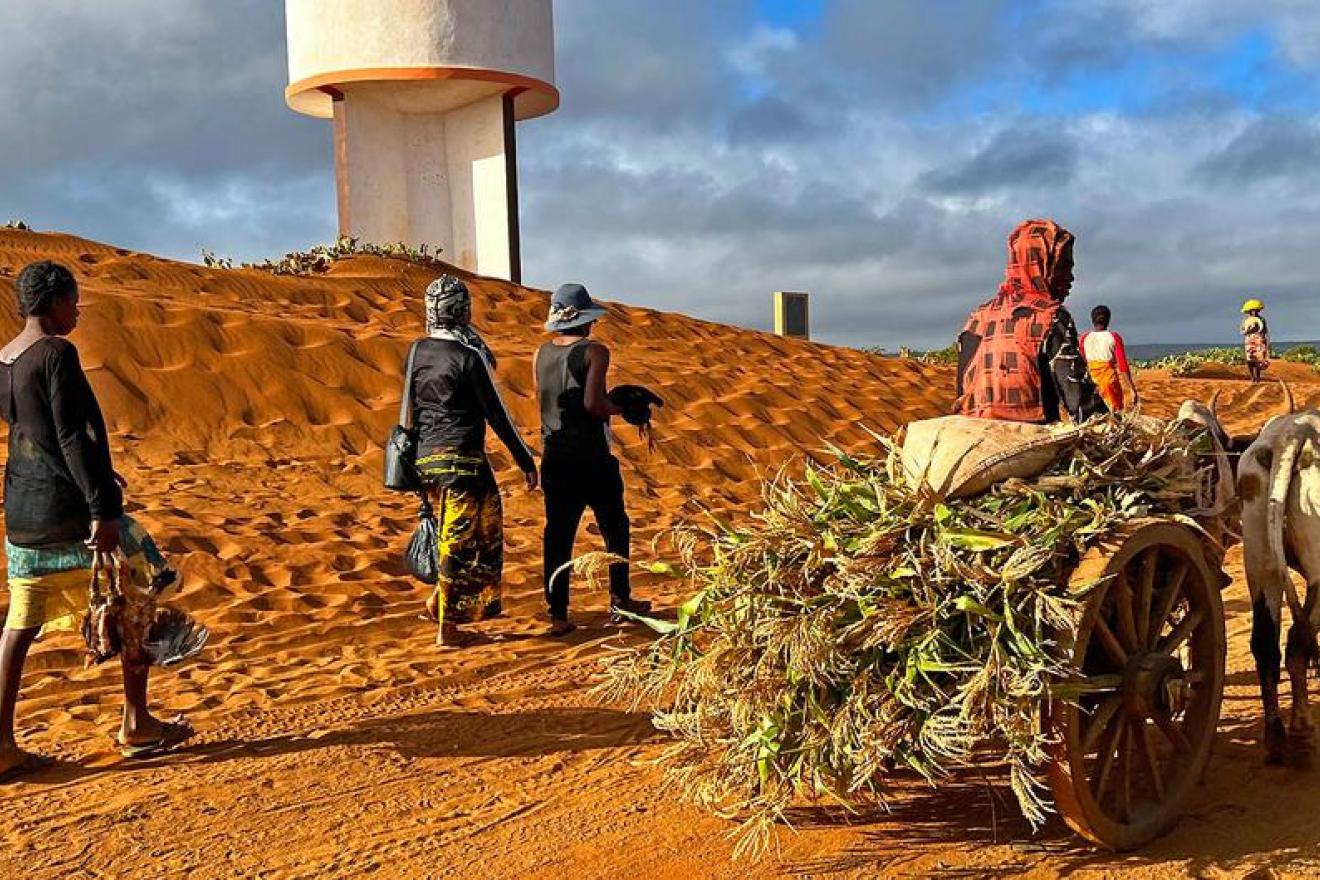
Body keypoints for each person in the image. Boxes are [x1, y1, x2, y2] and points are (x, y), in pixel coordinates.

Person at [0, 261, 192, 782]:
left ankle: (1, 744)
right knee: (136, 597)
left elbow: (32, 434)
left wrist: (100, 480)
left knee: (20, 622)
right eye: (73, 300)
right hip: (70, 511)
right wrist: (103, 506)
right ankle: (137, 724)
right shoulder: (57, 353)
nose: (77, 309)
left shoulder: (6, 359)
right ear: (54, 301)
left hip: (21, 510)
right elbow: (70, 435)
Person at [408, 275, 537, 648]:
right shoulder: (469, 357)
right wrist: (525, 459)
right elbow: (496, 414)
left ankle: (438, 606)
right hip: (464, 461)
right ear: (462, 311)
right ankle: (447, 628)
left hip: (426, 460)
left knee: (454, 537)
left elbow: (410, 410)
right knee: (467, 542)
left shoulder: (418, 350)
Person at [535, 283, 651, 636]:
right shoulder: (595, 352)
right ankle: (620, 599)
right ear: (586, 320)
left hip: (554, 456)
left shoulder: (540, 353)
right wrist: (620, 408)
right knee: (615, 526)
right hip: (591, 456)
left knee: (557, 534)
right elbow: (593, 404)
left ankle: (557, 613)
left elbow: (542, 400)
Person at [955, 219, 1105, 424]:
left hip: (971, 436)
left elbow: (962, 394)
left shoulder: (976, 319)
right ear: (1041, 264)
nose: (1070, 278)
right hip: (1031, 441)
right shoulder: (1050, 317)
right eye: (1062, 267)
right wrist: (1118, 431)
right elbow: (1080, 403)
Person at [1080, 305, 1139, 413]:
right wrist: (1132, 389)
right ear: (1108, 320)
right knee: (1115, 415)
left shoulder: (1084, 338)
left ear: (1092, 320)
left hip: (1091, 384)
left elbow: (1082, 362)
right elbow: (1122, 366)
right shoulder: (1114, 337)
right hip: (1109, 383)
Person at [1241, 298, 1270, 384]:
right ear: (1249, 311)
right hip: (1249, 340)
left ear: (1258, 311)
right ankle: (1252, 377)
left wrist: (1267, 340)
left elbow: (1265, 330)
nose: (1254, 312)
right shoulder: (1246, 321)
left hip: (1259, 340)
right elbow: (1243, 331)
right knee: (1249, 360)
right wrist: (1249, 329)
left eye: (1255, 310)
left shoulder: (1262, 320)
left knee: (1258, 360)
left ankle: (1257, 377)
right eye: (1252, 311)